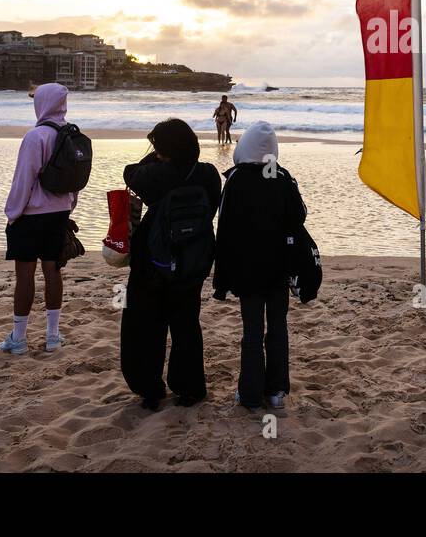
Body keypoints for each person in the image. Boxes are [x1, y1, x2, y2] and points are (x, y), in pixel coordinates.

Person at [120, 118, 222, 409]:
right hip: (193, 259)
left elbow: (130, 174)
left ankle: (150, 389)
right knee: (186, 324)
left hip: (153, 260)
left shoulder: (154, 175)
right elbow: (212, 207)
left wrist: (155, 157)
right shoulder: (208, 174)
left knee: (145, 325)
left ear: (162, 149)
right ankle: (189, 388)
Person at [212, 121, 307, 411]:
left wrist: (222, 279)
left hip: (248, 270)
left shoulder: (238, 180)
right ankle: (276, 392)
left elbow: (224, 230)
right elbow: (299, 217)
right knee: (278, 328)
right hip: (279, 268)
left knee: (252, 331)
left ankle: (251, 394)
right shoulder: (282, 176)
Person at [0, 83, 79, 354]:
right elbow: (74, 180)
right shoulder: (71, 134)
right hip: (59, 213)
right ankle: (53, 336)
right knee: (53, 272)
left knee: (25, 275)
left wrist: (13, 213)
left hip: (31, 215)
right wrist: (69, 206)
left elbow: (24, 178)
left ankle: (19, 338)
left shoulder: (36, 137)